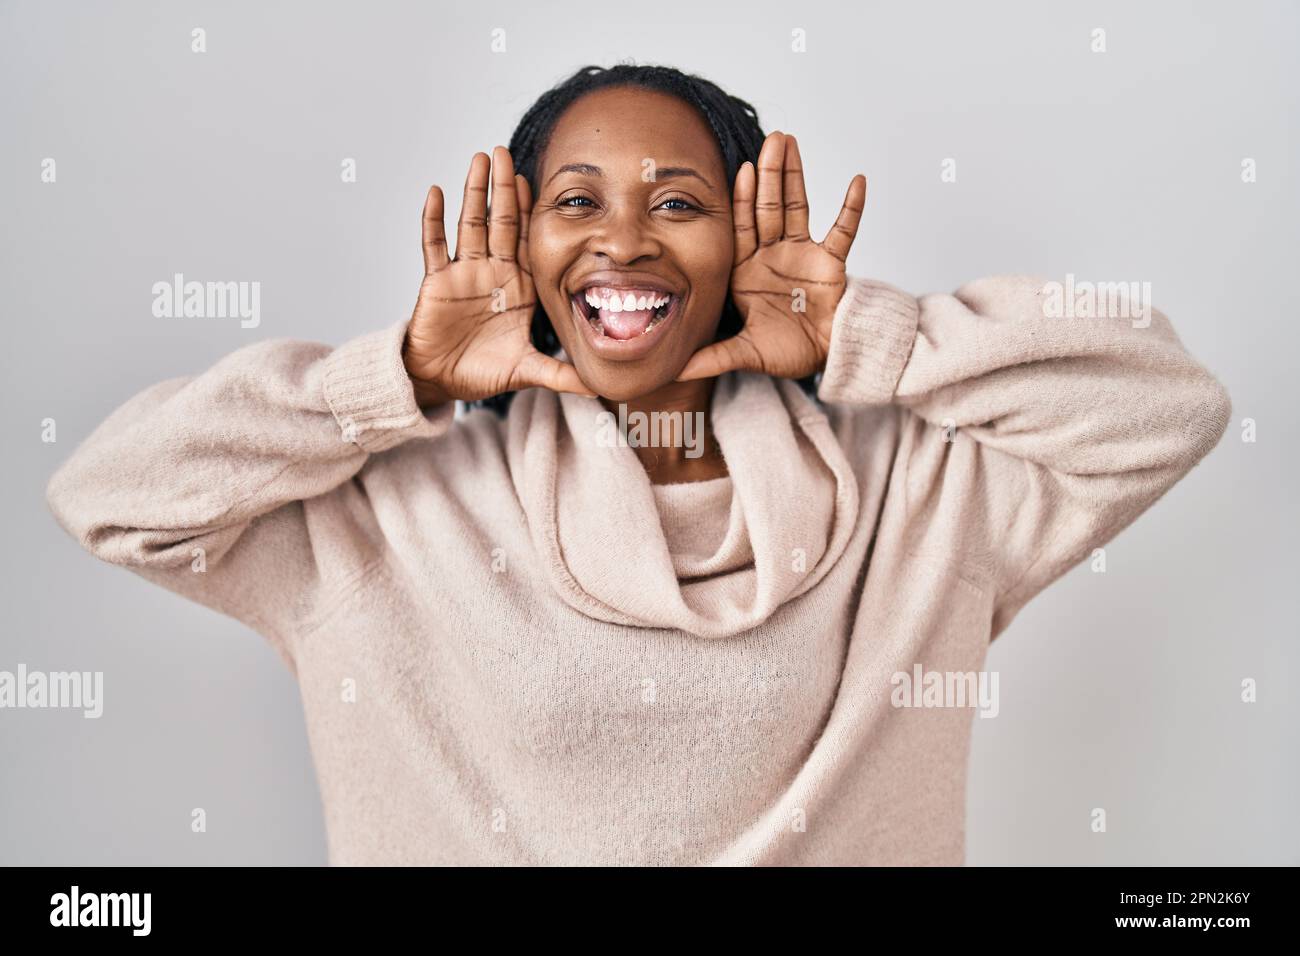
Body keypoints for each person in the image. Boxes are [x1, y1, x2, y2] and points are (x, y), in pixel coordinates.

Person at [46, 64, 1232, 865]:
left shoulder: (920, 498)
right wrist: (395, 378)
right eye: (576, 201)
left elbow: (1161, 405)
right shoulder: (388, 513)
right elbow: (112, 495)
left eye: (679, 201)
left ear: (745, 240)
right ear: (520, 239)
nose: (623, 239)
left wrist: (869, 335)